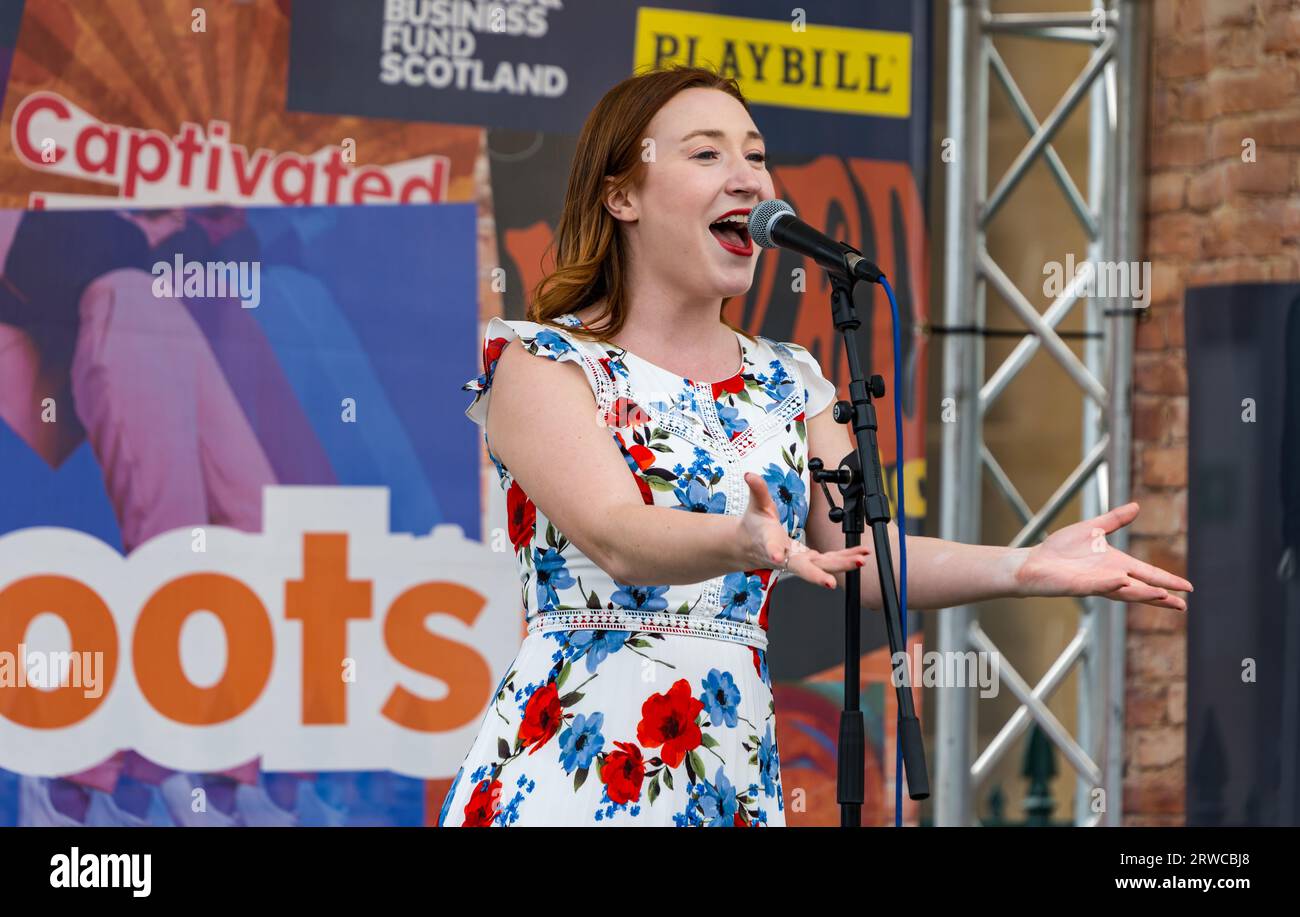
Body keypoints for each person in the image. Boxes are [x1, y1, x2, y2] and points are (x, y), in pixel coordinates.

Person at [438, 66, 1192, 828]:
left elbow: (869, 558)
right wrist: (739, 537)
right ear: (621, 195)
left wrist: (1026, 565)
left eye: (756, 155)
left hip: (729, 773)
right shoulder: (543, 361)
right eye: (706, 155)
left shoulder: (789, 381)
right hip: (573, 768)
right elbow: (615, 534)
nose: (747, 177)